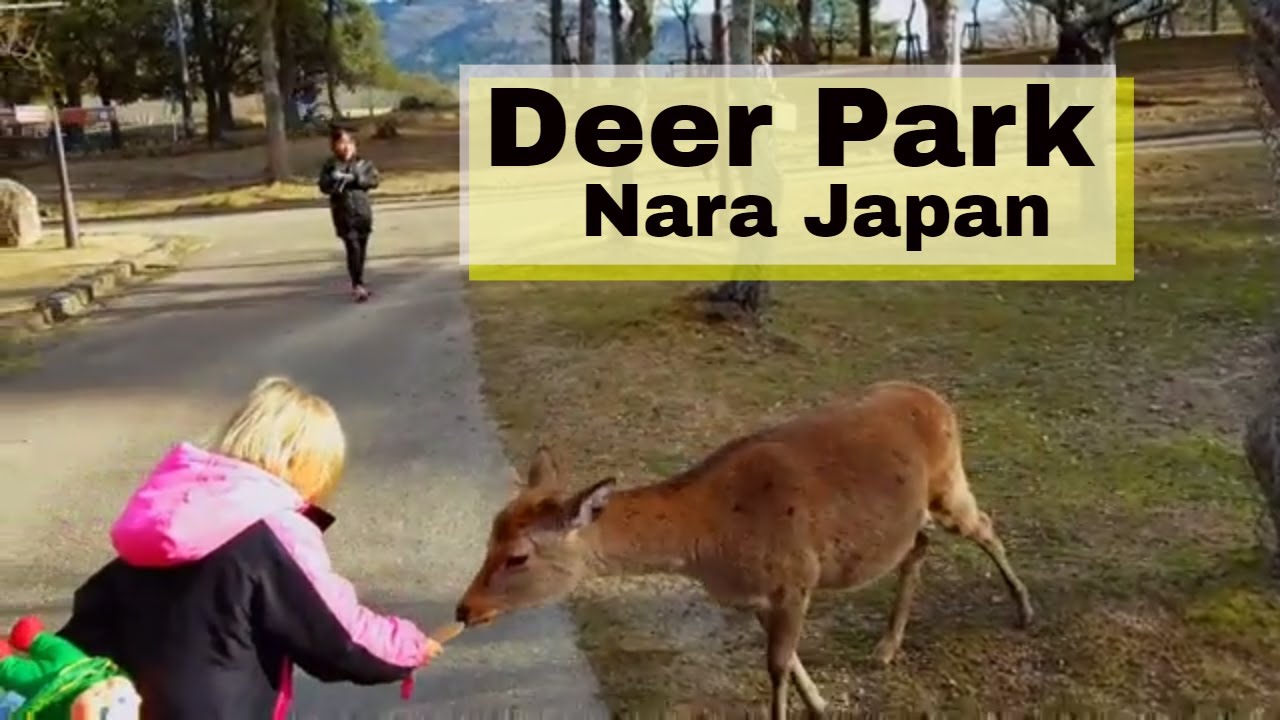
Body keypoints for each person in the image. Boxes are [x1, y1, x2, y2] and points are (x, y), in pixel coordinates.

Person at [58, 376, 442, 720]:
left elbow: (88, 626)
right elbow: (335, 634)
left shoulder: (161, 519)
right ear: (305, 463)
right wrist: (407, 647)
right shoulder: (272, 530)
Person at [319, 126, 380, 303]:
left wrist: (356, 178)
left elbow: (374, 180)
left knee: (361, 247)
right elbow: (323, 186)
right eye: (341, 143)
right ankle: (357, 285)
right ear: (334, 146)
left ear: (354, 145)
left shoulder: (363, 163)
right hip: (343, 213)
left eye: (349, 143)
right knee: (352, 246)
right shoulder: (330, 165)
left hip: (363, 212)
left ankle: (359, 280)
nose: (345, 147)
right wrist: (334, 179)